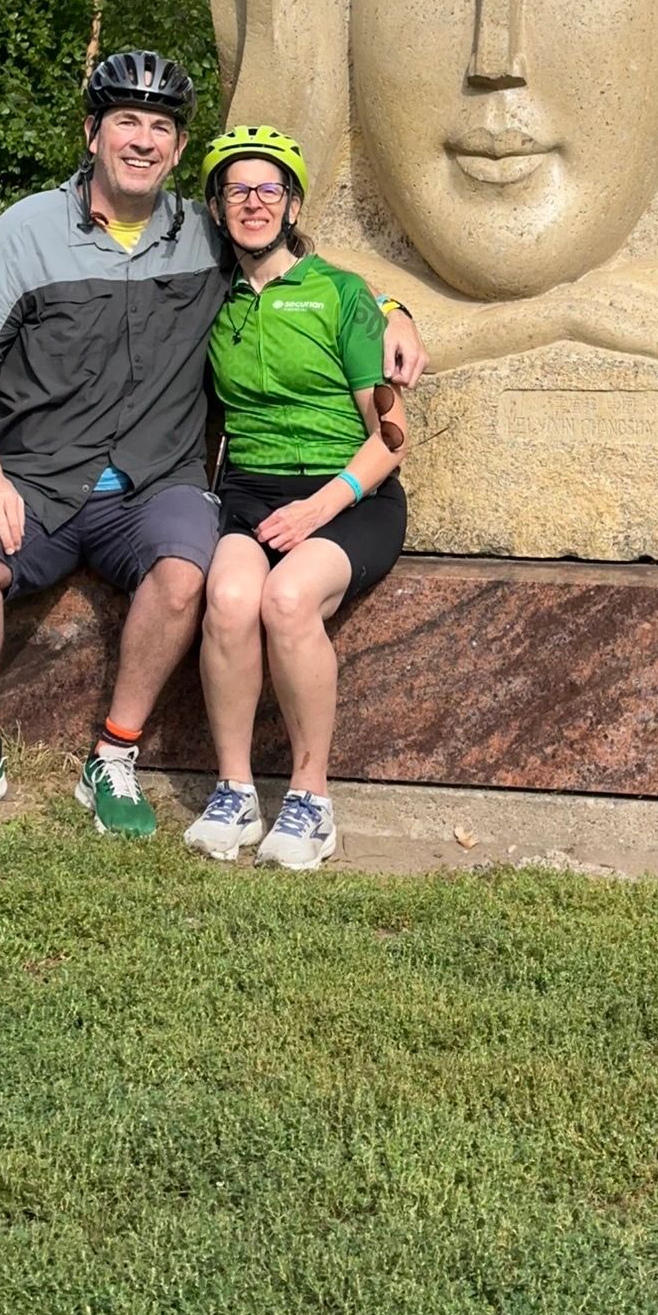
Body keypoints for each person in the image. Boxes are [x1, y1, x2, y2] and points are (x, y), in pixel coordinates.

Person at [0, 56, 425, 839]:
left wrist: (394, 306)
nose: (143, 140)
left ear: (177, 150)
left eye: (161, 127)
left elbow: (302, 265)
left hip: (151, 483)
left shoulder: (204, 234)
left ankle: (115, 753)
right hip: (36, 476)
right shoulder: (20, 236)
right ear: (93, 133)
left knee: (184, 572)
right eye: (126, 122)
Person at [183, 125, 408, 871]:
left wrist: (321, 507)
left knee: (286, 600)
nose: (253, 203)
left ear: (293, 204)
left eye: (268, 189)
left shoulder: (340, 294)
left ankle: (311, 801)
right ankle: (235, 791)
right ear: (218, 209)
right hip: (250, 492)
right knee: (228, 600)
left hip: (350, 495)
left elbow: (390, 438)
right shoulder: (211, 300)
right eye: (236, 191)